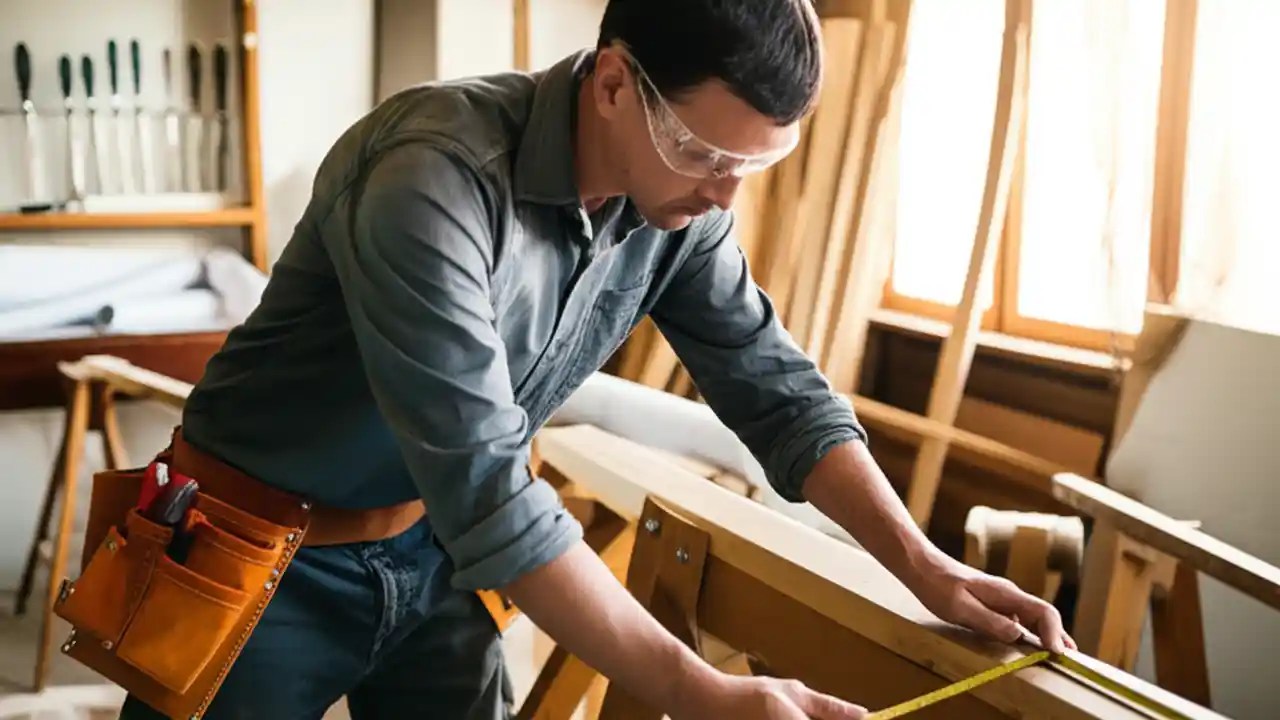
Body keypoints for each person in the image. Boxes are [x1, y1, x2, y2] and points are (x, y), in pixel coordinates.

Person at [119, 0, 1073, 718]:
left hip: (434, 547)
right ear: (614, 83)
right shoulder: (431, 176)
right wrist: (697, 690)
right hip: (259, 549)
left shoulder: (679, 209)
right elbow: (491, 486)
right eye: (707, 154)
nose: (725, 196)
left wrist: (926, 568)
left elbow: (778, 391)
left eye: (756, 165)